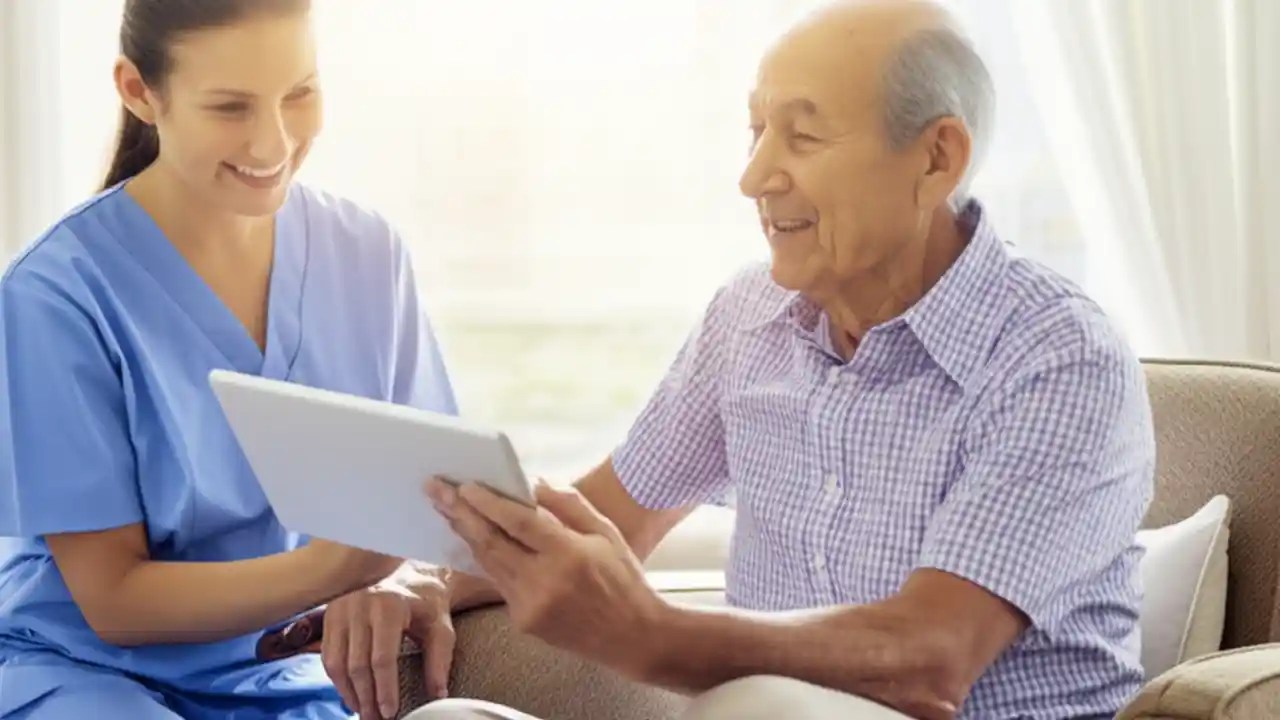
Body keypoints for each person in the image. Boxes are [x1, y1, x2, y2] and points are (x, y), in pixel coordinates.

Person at [330, 1, 1156, 719]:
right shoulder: (749, 316)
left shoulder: (1059, 358)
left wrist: (650, 635)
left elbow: (931, 657)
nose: (755, 176)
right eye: (756, 132)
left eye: (801, 136)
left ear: (936, 159)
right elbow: (613, 513)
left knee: (763, 705)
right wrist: (425, 581)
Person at [0, 1, 457, 718]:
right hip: (83, 676)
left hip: (277, 682)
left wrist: (399, 577)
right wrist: (334, 568)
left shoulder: (368, 256)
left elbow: (437, 507)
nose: (275, 141)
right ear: (138, 91)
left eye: (300, 93)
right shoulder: (55, 293)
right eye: (229, 107)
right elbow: (114, 601)